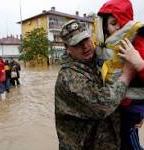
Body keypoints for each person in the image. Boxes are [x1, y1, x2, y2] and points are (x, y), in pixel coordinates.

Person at [55, 19, 135, 150]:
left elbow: (113, 87)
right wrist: (126, 77)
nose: (85, 47)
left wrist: (133, 112)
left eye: (85, 39)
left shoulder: (97, 62)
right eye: (77, 44)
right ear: (67, 48)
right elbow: (104, 105)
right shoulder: (69, 77)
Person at [93, 0, 144, 149]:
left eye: (122, 24)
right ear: (104, 26)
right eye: (114, 23)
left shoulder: (137, 41)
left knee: (130, 143)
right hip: (117, 104)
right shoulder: (102, 45)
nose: (118, 28)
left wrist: (139, 63)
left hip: (132, 106)